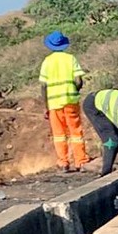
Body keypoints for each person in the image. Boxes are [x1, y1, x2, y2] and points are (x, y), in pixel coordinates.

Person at [38, 31, 91, 173]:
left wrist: (46, 106)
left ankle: (63, 163)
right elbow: (79, 81)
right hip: (70, 101)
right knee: (76, 131)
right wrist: (75, 91)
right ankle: (81, 161)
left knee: (59, 134)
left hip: (54, 103)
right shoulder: (70, 59)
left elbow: (43, 86)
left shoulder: (47, 61)